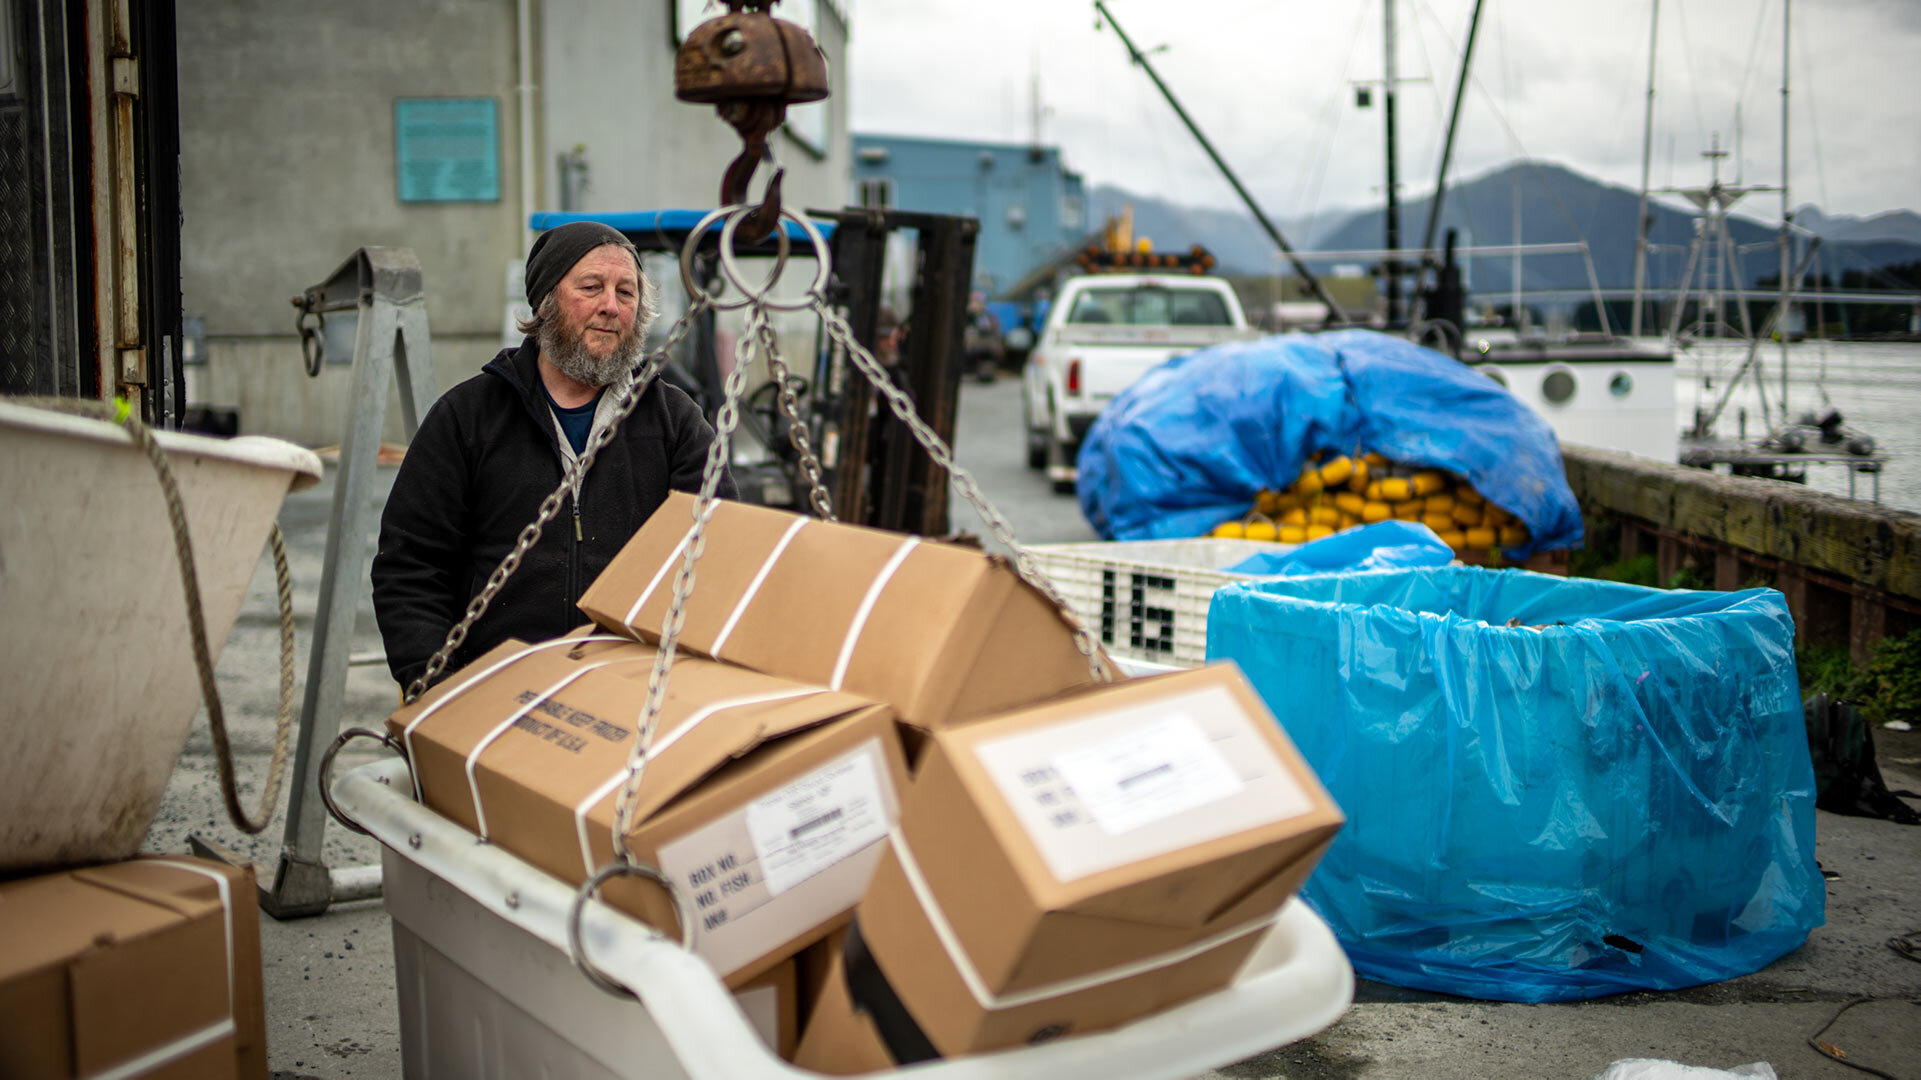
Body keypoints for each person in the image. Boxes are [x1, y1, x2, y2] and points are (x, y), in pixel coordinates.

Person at [372, 221, 734, 691]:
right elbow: (411, 566)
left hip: (631, 696)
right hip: (492, 693)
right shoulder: (468, 418)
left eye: (627, 292)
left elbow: (721, 552)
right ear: (546, 302)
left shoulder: (674, 422)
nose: (611, 305)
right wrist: (437, 684)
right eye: (592, 287)